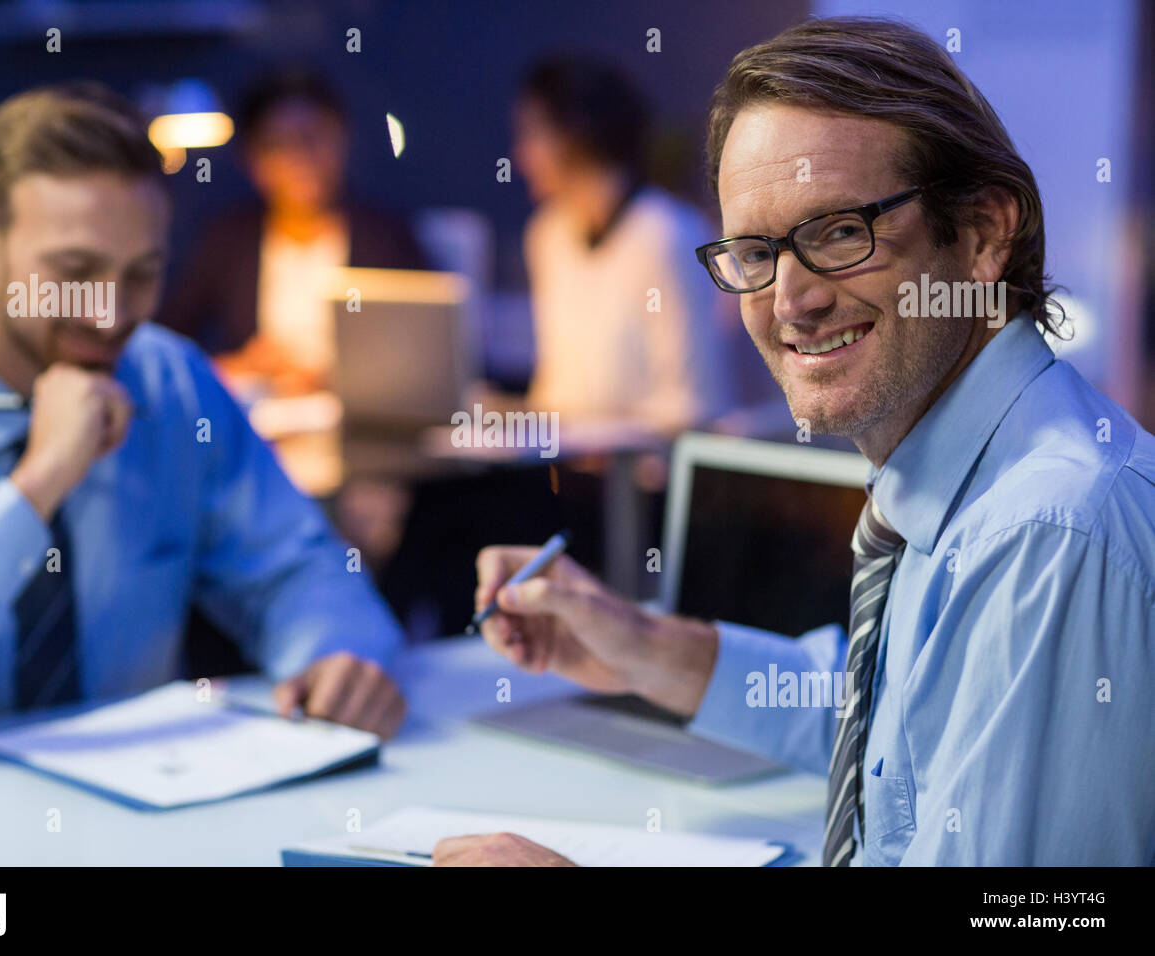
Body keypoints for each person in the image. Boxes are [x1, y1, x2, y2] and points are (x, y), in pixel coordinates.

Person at [435, 18, 1155, 866]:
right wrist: (635, 642)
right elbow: (883, 721)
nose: (790, 300)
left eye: (839, 233)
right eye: (755, 251)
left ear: (984, 233)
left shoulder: (1045, 530)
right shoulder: (958, 471)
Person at [0, 83, 407, 754]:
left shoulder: (173, 383)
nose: (111, 315)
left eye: (142, 274)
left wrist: (335, 652)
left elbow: (297, 568)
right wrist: (38, 484)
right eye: (75, 270)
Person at [160, 68, 428, 387]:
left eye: (313, 139)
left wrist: (332, 377)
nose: (300, 158)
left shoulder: (388, 237)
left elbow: (428, 355)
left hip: (359, 418)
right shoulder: (228, 239)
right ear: (253, 160)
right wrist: (235, 366)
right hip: (259, 420)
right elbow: (167, 341)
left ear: (342, 139)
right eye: (279, 145)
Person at [514, 56, 733, 432]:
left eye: (533, 134)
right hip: (561, 464)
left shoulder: (668, 235)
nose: (522, 156)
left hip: (643, 476)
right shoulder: (547, 235)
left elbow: (693, 403)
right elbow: (555, 386)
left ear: (576, 132)